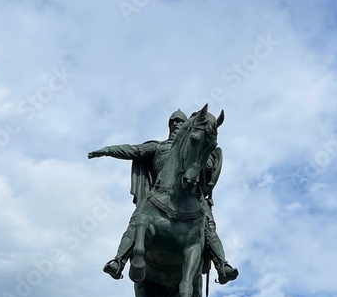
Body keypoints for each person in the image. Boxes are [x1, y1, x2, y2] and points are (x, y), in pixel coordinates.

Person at [88, 109, 238, 284]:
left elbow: (208, 166)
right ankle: (119, 260)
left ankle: (221, 265)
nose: (176, 124)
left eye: (180, 122)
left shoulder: (195, 147)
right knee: (136, 222)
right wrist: (107, 150)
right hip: (158, 194)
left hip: (192, 195)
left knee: (209, 226)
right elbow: (133, 150)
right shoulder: (158, 147)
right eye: (173, 121)